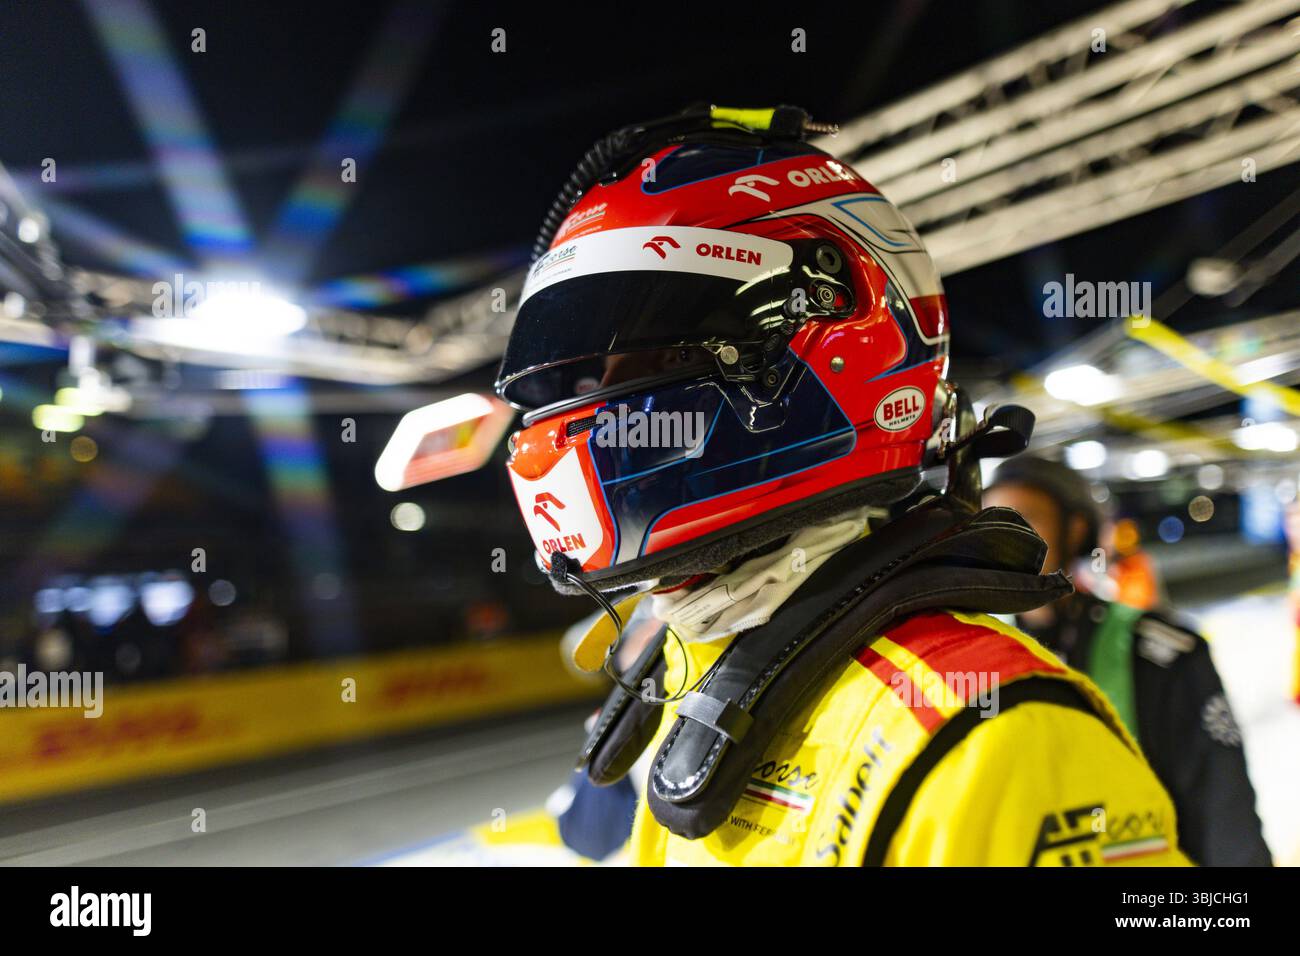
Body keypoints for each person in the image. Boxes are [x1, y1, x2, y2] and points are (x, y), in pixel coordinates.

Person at [496, 104, 1188, 866]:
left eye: (654, 361)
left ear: (829, 336)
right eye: (596, 373)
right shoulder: (691, 669)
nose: (598, 407)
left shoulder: (1001, 743)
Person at [985, 455, 1271, 866]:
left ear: (1075, 529)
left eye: (1027, 518)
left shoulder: (1165, 657)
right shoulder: (981, 655)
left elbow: (1225, 810)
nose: (1008, 538)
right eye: (994, 521)